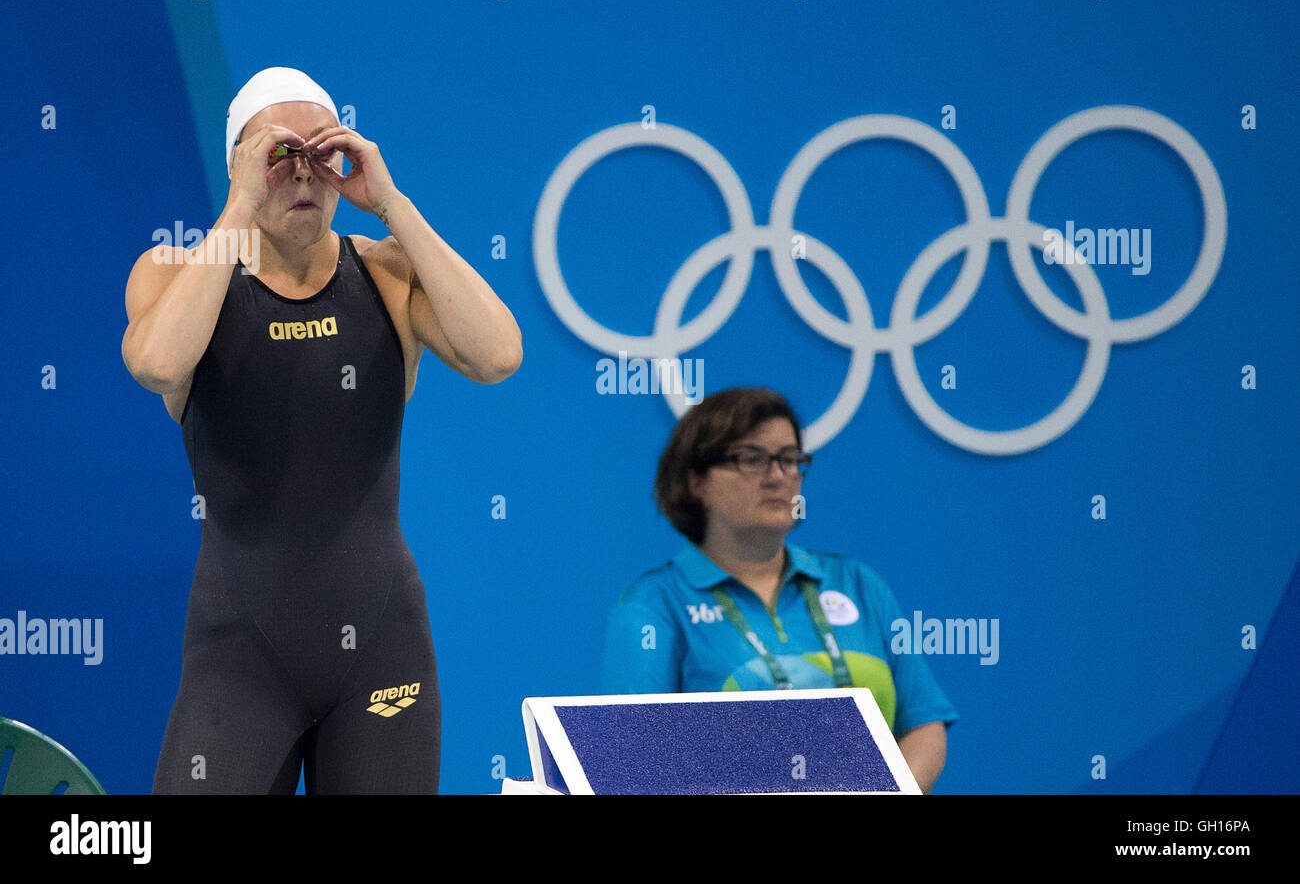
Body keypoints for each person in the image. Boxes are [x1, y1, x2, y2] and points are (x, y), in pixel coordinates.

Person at [122, 67, 522, 793]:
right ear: (240, 162)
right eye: (278, 156)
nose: (302, 174)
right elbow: (156, 363)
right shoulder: (177, 272)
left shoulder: (388, 273)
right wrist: (240, 204)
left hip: (382, 652)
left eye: (321, 153)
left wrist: (393, 205)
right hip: (239, 661)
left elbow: (498, 354)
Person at [600, 387, 956, 793]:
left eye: (790, 459)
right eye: (752, 459)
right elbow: (634, 761)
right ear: (696, 481)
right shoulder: (654, 605)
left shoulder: (857, 584)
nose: (777, 476)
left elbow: (923, 725)